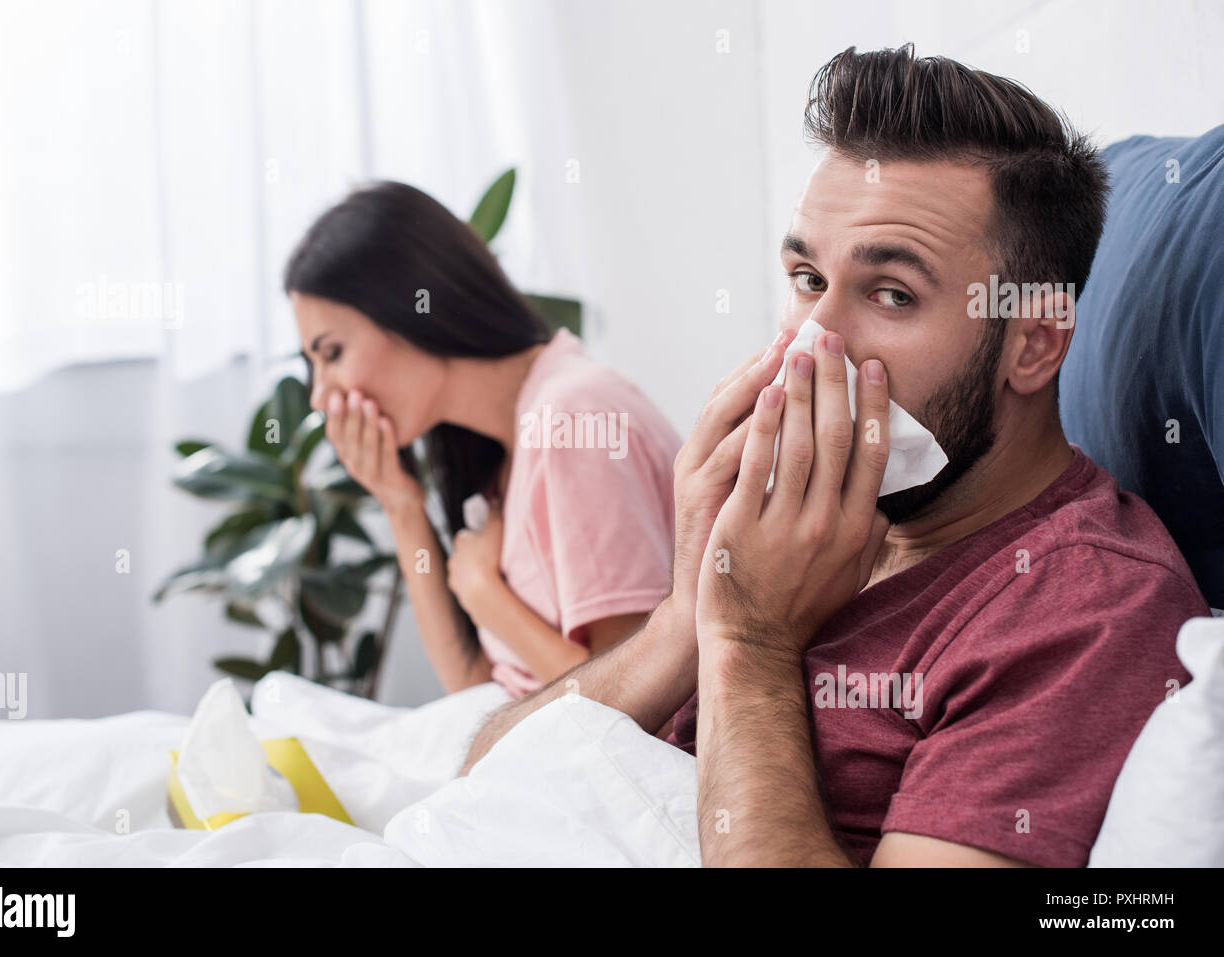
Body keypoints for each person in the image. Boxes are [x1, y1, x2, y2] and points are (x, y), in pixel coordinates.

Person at [461, 45, 1211, 867]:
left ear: (1032, 342)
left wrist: (752, 640)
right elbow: (479, 786)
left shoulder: (1083, 608)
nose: (817, 342)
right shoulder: (802, 531)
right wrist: (688, 614)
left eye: (892, 294)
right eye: (808, 277)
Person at [286, 181, 681, 699]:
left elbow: (638, 708)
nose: (320, 396)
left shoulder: (571, 417)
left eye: (332, 353)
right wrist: (401, 505)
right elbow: (473, 686)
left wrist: (484, 594)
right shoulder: (502, 447)